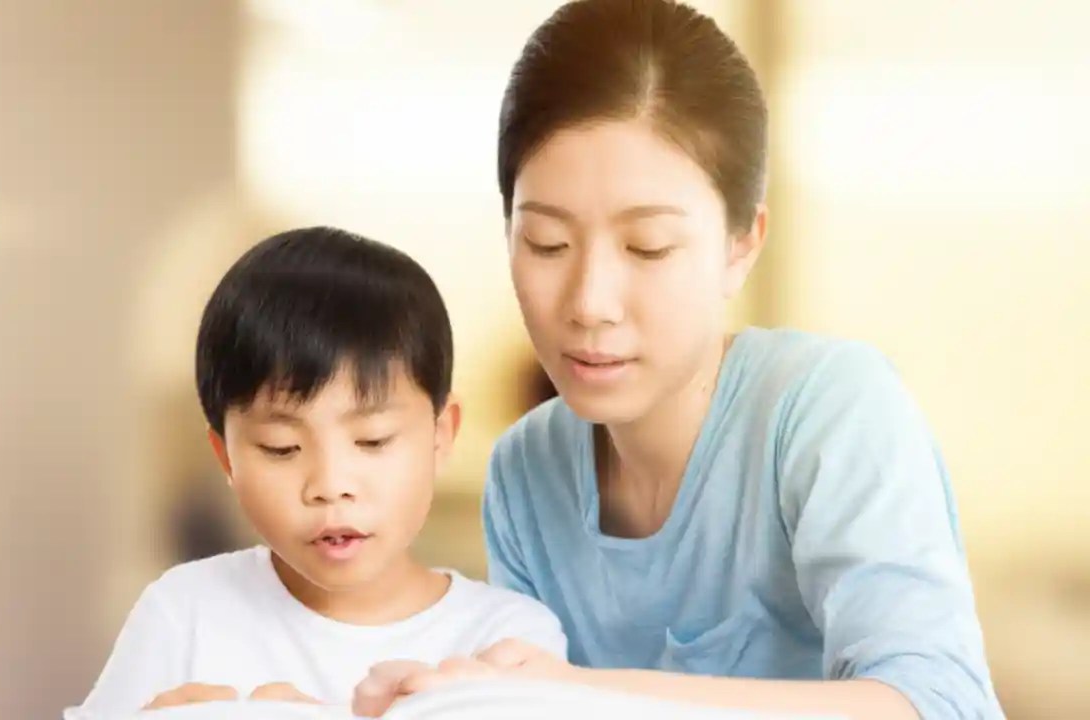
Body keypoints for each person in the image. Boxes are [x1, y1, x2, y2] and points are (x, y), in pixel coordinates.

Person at [352, 1, 1001, 718]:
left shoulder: (826, 409)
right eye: (547, 245)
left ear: (741, 244)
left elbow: (937, 703)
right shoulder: (526, 474)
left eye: (648, 247)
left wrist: (568, 691)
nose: (590, 302)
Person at [65, 227, 566, 717]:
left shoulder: (506, 640)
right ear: (226, 458)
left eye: (372, 441)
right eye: (281, 448)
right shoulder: (184, 614)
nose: (330, 486)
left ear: (440, 437)